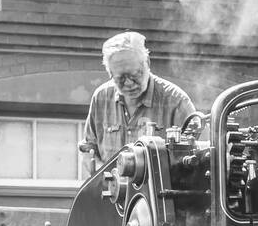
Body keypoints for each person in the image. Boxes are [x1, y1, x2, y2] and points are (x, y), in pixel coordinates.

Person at [82, 30, 201, 170]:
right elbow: (88, 151)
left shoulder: (176, 101)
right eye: (120, 78)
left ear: (147, 63)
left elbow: (199, 158)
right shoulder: (101, 98)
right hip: (110, 190)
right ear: (110, 74)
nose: (129, 83)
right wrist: (106, 178)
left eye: (135, 74)